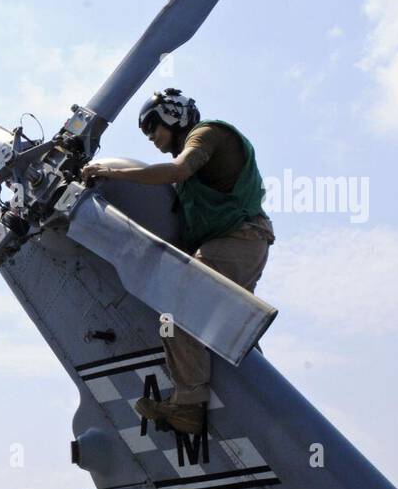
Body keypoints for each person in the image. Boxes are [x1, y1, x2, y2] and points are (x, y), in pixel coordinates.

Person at [79, 89, 275, 434]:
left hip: (237, 240)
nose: (151, 137)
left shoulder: (207, 134)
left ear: (174, 115)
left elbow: (176, 170)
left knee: (175, 306)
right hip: (238, 244)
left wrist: (110, 172)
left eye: (153, 127)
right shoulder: (193, 185)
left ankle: (188, 403)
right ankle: (250, 398)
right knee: (224, 326)